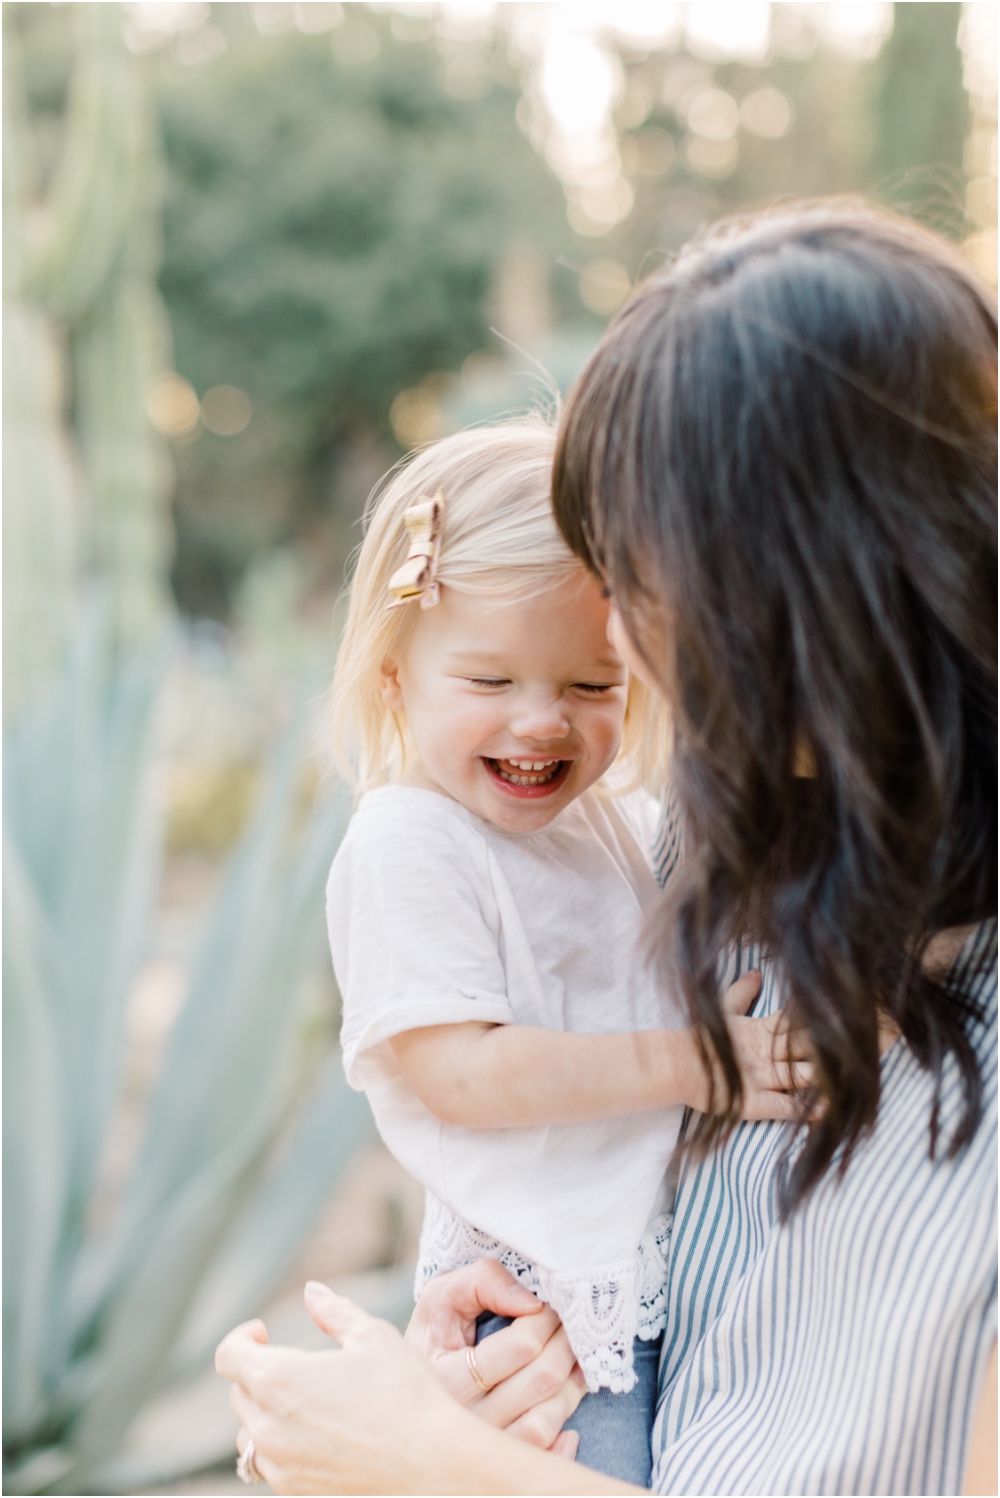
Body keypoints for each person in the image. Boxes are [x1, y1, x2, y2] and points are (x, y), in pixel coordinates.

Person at [217, 204, 997, 1495]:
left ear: (800, 596)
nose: (612, 661)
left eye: (632, 590)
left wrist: (424, 1460)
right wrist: (476, 1365)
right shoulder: (703, 861)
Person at [323, 422, 807, 1484]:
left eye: (592, 686)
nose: (542, 722)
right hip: (535, 1309)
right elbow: (458, 1072)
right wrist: (693, 1059)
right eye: (490, 681)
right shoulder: (409, 837)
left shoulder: (606, 817)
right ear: (395, 674)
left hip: (622, 1272)